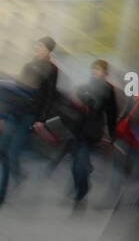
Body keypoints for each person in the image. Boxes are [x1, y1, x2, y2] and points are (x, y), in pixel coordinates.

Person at [0, 35, 59, 205]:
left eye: (40, 46)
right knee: (3, 150)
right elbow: (15, 91)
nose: (37, 48)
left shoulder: (51, 70)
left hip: (29, 115)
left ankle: (4, 190)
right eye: (37, 45)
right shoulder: (29, 65)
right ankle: (14, 179)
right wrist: (3, 116)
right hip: (15, 112)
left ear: (48, 50)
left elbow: (49, 97)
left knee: (13, 152)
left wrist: (41, 119)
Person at [68, 60, 118, 210]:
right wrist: (75, 98)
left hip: (91, 131)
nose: (95, 72)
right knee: (73, 165)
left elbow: (111, 114)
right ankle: (83, 181)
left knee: (79, 164)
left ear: (105, 73)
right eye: (94, 69)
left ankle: (81, 194)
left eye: (99, 70)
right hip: (78, 128)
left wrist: (112, 134)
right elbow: (75, 105)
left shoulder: (108, 89)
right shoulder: (85, 85)